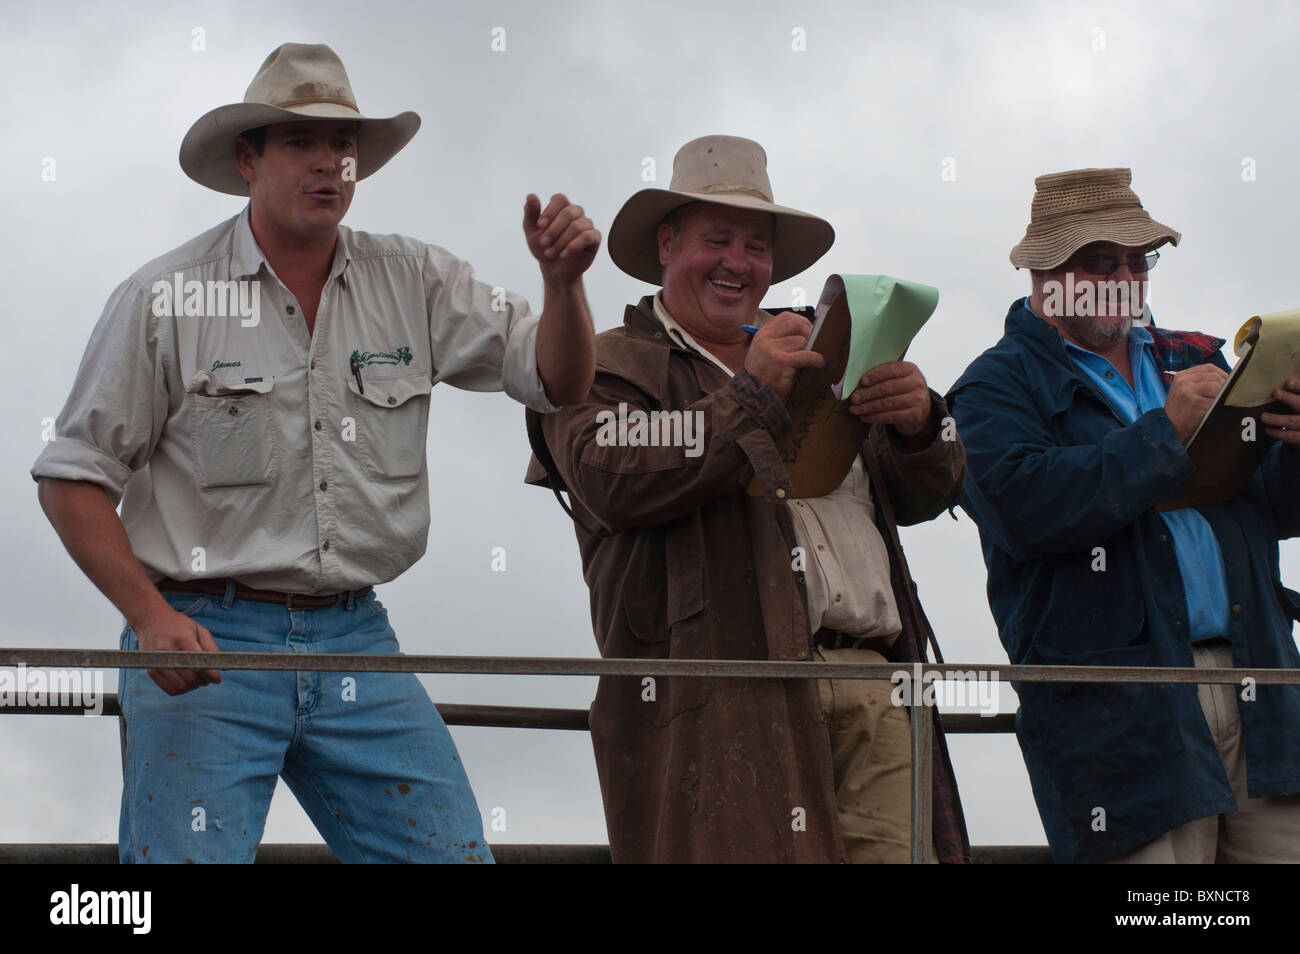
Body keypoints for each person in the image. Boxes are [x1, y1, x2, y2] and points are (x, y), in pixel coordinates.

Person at [31, 42, 598, 863]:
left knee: (452, 857)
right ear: (247, 159)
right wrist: (150, 617)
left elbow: (557, 380)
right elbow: (71, 477)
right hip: (207, 641)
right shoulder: (165, 298)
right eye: (301, 143)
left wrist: (563, 285)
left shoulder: (417, 280)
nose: (329, 164)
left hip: (357, 638)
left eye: (343, 147)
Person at [525, 135, 969, 862]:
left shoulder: (820, 347)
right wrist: (752, 395)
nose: (738, 262)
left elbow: (932, 489)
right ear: (667, 244)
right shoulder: (601, 360)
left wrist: (922, 421)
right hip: (730, 700)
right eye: (717, 239)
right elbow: (613, 476)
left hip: (875, 678)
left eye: (755, 245)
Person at [946, 167, 1300, 863]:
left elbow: (1274, 512)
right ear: (1043, 272)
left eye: (1137, 260)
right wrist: (1162, 435)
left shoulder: (1198, 357)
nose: (1125, 277)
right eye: (1099, 261)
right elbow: (1025, 513)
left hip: (1262, 695)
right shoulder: (990, 388)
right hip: (1122, 723)